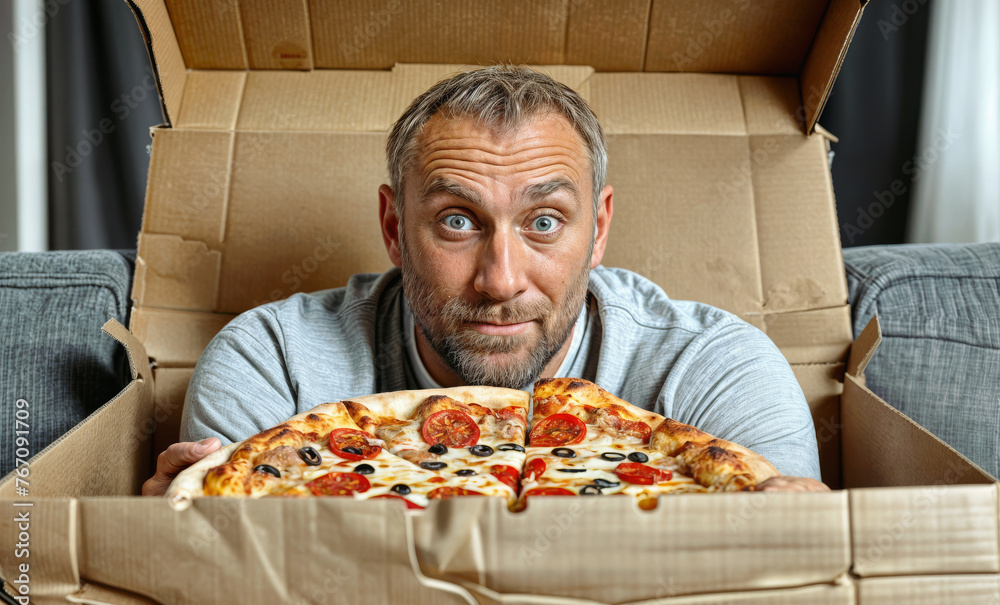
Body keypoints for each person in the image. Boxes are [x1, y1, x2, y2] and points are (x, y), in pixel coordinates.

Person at [142, 65, 828, 496]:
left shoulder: (717, 371)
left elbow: (765, 592)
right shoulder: (271, 362)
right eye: (458, 222)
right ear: (393, 226)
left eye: (545, 222)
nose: (500, 280)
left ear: (601, 227)